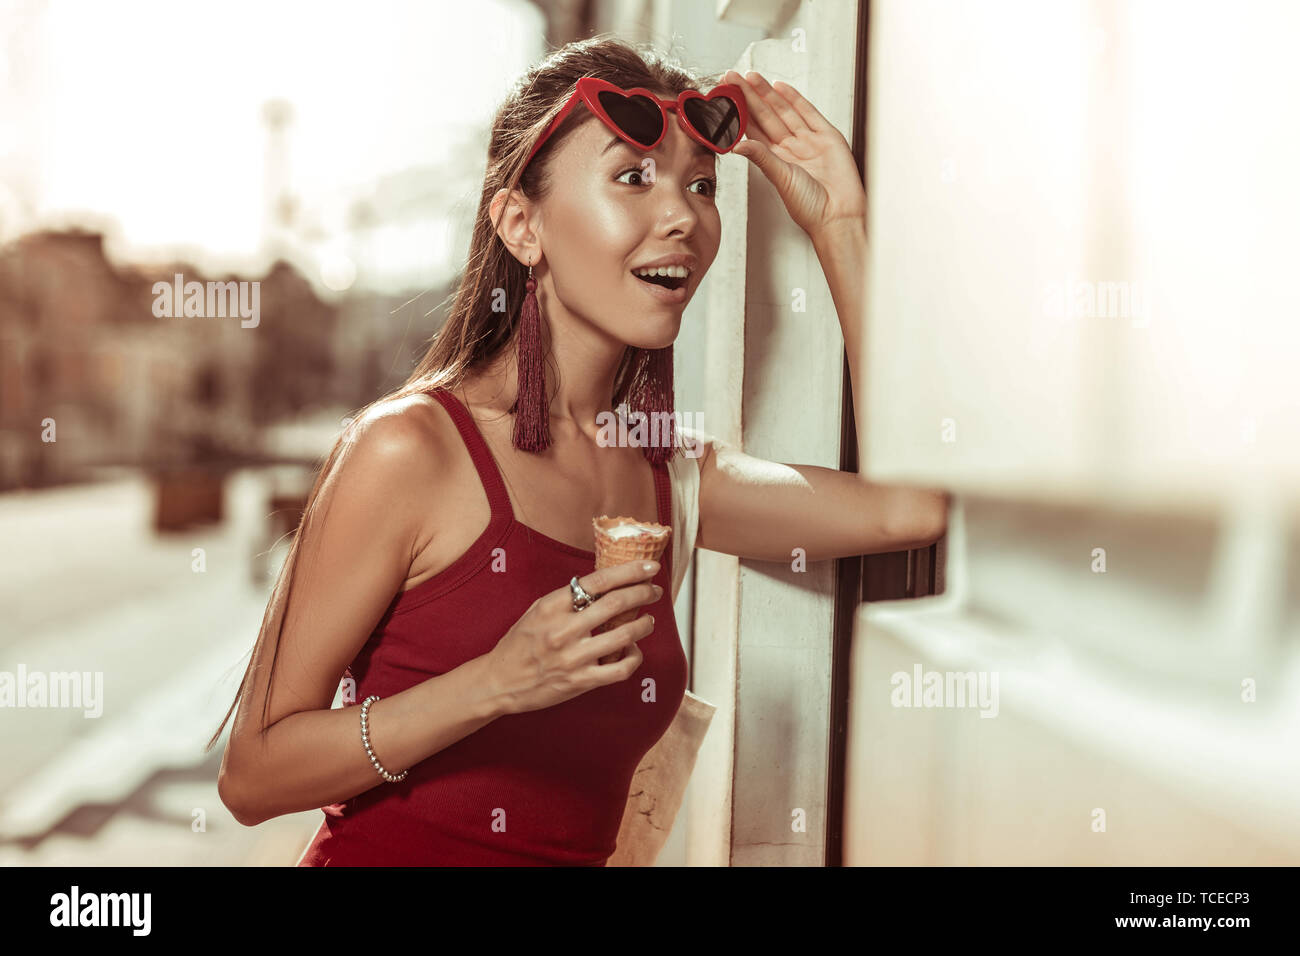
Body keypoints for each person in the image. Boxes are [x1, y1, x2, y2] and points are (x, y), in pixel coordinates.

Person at [208, 34, 949, 865]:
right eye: (633, 176)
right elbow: (253, 775)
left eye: (700, 186)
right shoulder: (408, 451)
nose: (683, 216)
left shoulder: (670, 476)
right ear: (522, 226)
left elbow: (911, 508)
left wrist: (841, 226)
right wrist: (497, 683)